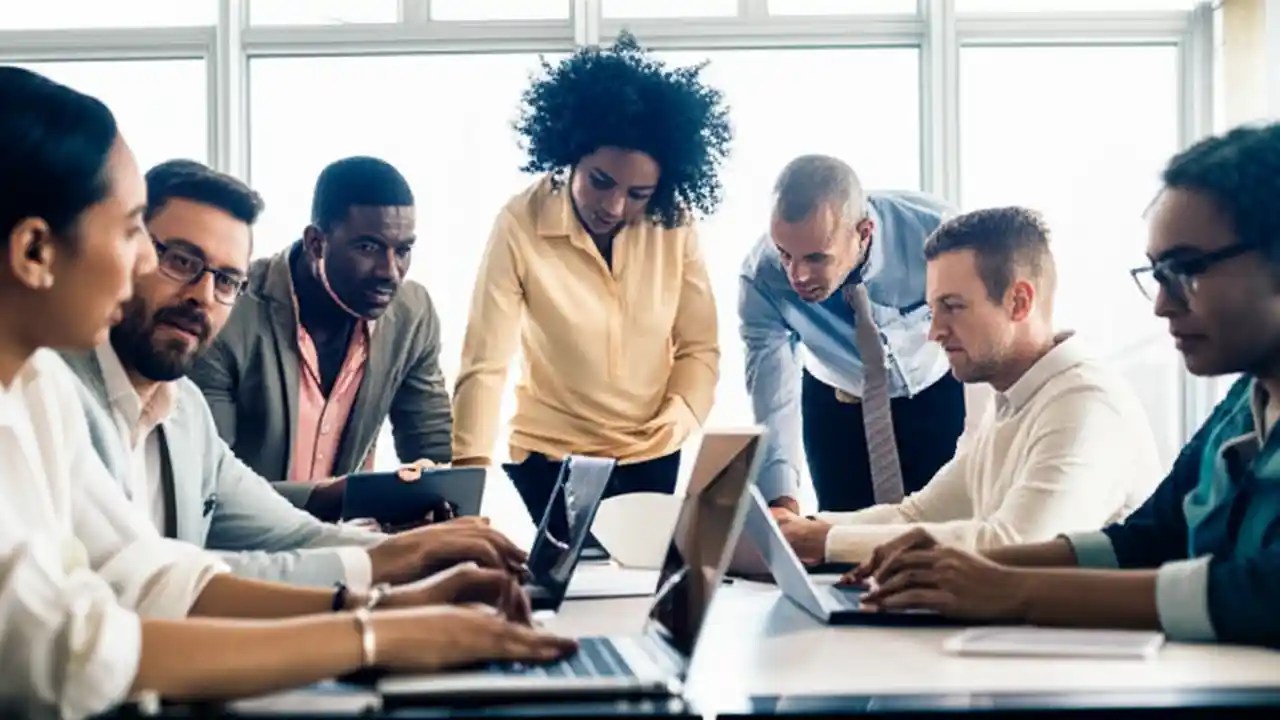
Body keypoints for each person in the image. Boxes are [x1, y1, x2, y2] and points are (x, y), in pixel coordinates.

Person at [0, 66, 573, 719]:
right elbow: (68, 649)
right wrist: (376, 632)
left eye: (226, 280)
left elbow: (149, 573)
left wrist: (391, 593)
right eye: (138, 236)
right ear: (35, 251)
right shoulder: (70, 386)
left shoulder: (43, 388)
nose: (142, 268)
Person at [850, 122, 1280, 649]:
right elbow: (1149, 538)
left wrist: (1012, 587)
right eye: (1156, 273)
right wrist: (956, 567)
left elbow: (1261, 591)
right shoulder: (1245, 402)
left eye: (1185, 269)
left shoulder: (1085, 400)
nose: (1163, 303)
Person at [64, 158, 525, 590]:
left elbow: (294, 535)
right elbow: (164, 581)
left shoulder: (184, 412)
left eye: (226, 279)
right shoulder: (55, 399)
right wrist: (374, 606)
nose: (202, 295)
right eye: (181, 261)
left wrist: (426, 550)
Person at [773, 207, 1161, 565]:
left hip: (1078, 639)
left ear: (1019, 302)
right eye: (932, 309)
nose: (934, 332)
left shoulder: (1085, 404)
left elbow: (1016, 545)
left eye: (953, 307)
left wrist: (825, 543)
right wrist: (802, 528)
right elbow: (917, 515)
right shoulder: (1014, 399)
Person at [451, 32, 727, 532]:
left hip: (652, 450)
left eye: (638, 193)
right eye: (601, 181)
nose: (615, 206)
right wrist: (468, 477)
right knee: (568, 595)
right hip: (551, 460)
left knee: (637, 591)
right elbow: (486, 361)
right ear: (572, 154)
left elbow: (699, 347)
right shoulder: (518, 222)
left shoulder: (675, 222)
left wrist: (681, 415)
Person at [190, 156, 452, 521]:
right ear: (316, 243)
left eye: (403, 250)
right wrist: (339, 496)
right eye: (368, 247)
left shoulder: (412, 313)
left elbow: (432, 450)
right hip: (244, 547)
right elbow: (208, 485)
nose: (390, 272)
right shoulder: (229, 312)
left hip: (349, 543)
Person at [741, 154, 965, 515]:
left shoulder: (937, 233)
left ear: (863, 234)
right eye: (785, 253)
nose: (796, 275)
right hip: (835, 400)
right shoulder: (761, 275)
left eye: (816, 258)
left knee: (942, 528)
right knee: (841, 537)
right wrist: (780, 503)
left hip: (935, 389)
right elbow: (772, 394)